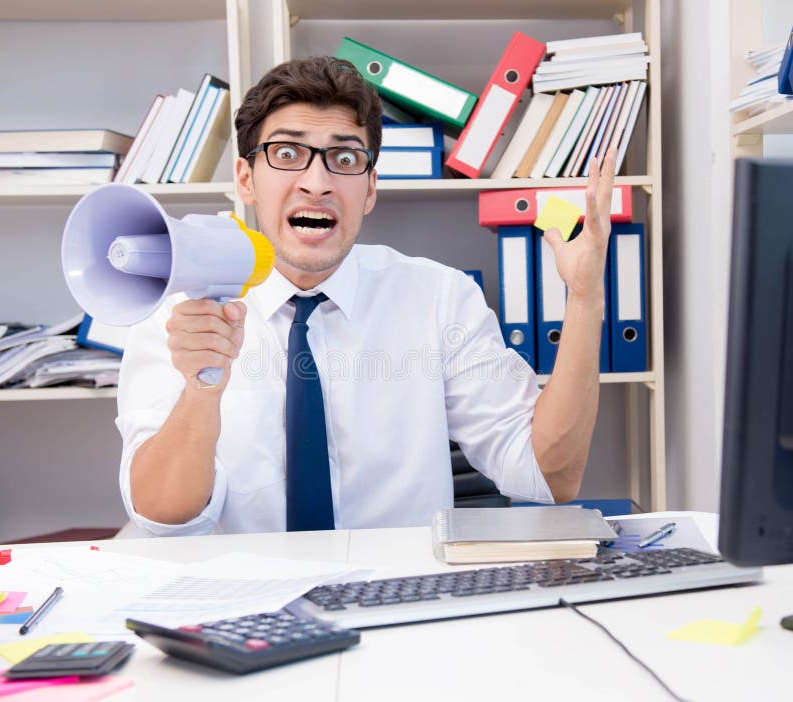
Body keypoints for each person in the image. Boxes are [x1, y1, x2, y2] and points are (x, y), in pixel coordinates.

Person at [116, 56, 616, 536]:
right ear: (247, 180)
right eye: (287, 154)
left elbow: (549, 477)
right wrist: (201, 391)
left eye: (345, 158)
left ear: (371, 188)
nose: (317, 183)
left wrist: (585, 297)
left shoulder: (441, 299)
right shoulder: (176, 315)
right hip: (245, 605)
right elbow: (163, 517)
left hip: (405, 600)